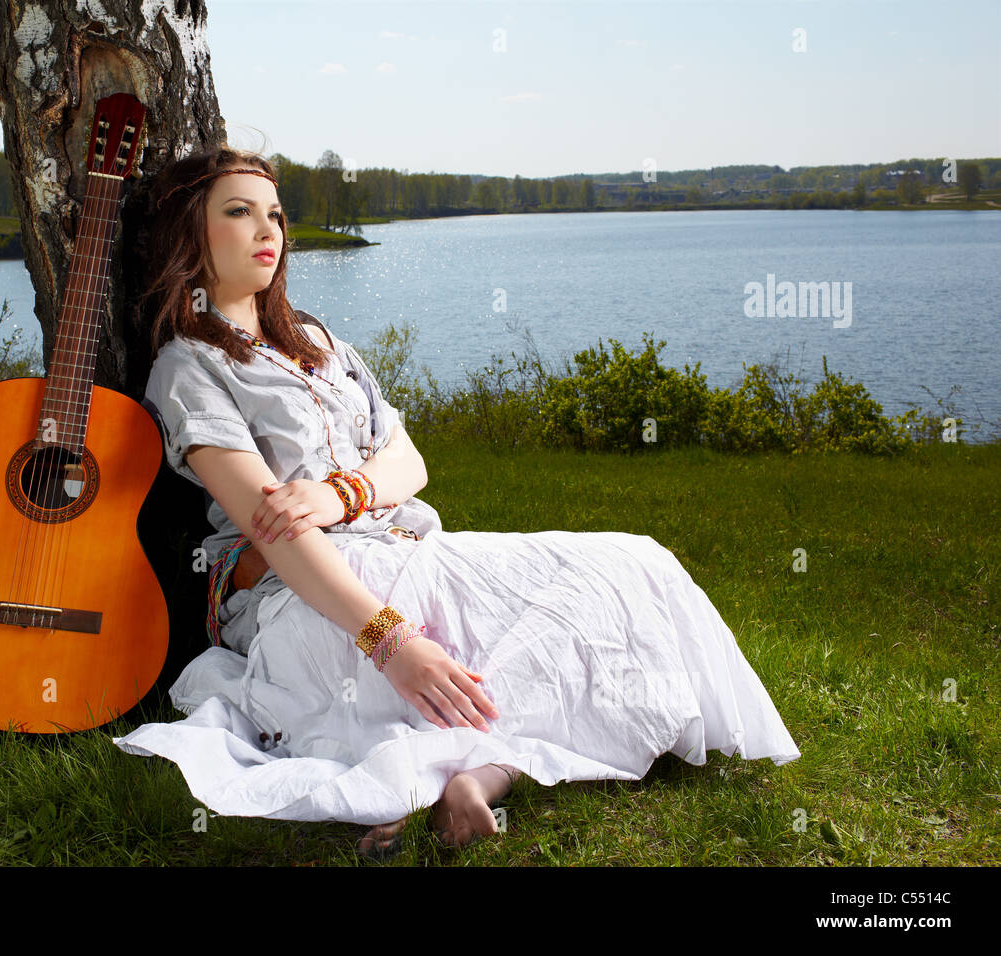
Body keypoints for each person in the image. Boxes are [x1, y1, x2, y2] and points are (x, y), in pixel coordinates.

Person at [114, 145, 801, 856]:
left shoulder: (318, 342)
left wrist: (340, 492)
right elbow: (278, 529)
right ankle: (479, 771)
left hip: (408, 545)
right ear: (188, 235)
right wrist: (390, 641)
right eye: (239, 212)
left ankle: (477, 775)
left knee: (631, 564)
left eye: (276, 216)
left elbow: (409, 461)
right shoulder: (188, 365)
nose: (268, 231)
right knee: (459, 649)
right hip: (306, 592)